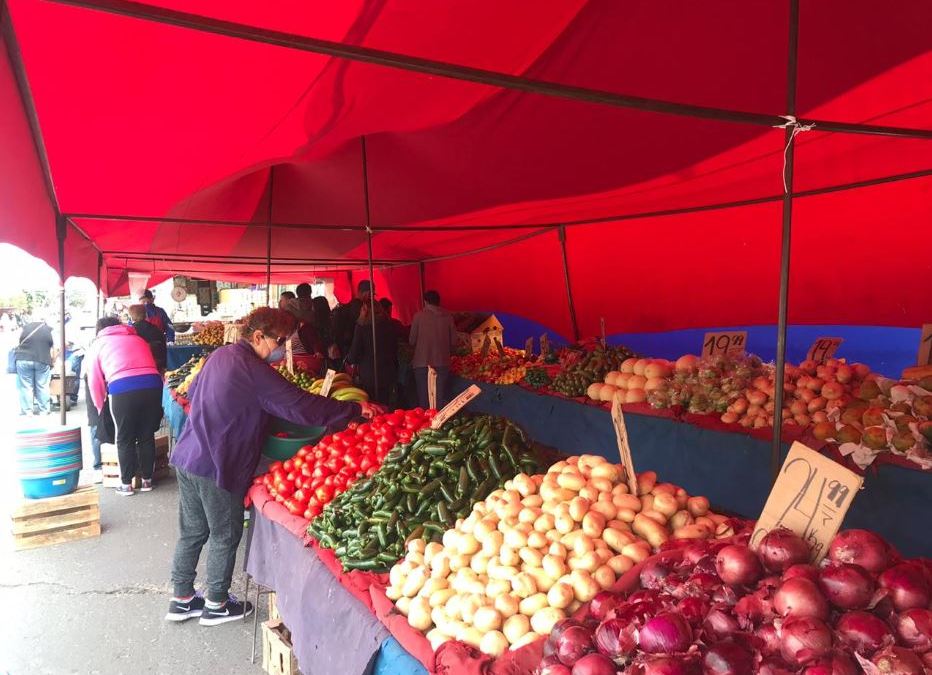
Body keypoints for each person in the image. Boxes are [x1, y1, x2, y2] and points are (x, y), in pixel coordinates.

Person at [165, 308, 382, 626]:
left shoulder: (221, 355)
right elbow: (300, 405)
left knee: (192, 532)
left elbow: (196, 393)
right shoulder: (251, 368)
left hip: (189, 455)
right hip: (216, 462)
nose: (282, 348)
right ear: (258, 337)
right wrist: (353, 409)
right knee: (225, 534)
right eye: (280, 341)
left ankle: (181, 598)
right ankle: (216, 603)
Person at [86, 317, 164, 496]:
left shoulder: (98, 344)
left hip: (122, 387)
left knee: (124, 436)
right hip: (152, 384)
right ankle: (147, 481)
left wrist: (100, 406)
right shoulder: (138, 339)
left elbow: (94, 380)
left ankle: (126, 484)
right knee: (146, 434)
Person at [84, 316, 121, 483]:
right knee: (99, 424)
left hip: (104, 385)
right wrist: (100, 401)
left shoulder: (97, 344)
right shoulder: (103, 344)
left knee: (97, 424)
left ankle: (102, 466)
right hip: (100, 384)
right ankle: (101, 466)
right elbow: (93, 376)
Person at [409, 290, 457, 409]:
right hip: (442, 362)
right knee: (438, 398)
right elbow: (454, 342)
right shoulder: (448, 317)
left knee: (424, 398)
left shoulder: (418, 316)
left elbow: (412, 340)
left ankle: (426, 419)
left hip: (422, 363)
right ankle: (439, 418)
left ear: (425, 301)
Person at [347, 300, 398, 405]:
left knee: (372, 406)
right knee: (385, 404)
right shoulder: (390, 326)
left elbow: (353, 355)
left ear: (365, 311)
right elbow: (394, 349)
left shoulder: (362, 328)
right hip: (388, 373)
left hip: (369, 375)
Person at [14, 314, 55, 416]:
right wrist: (53, 361)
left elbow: (15, 343)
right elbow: (55, 348)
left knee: (26, 386)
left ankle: (27, 411)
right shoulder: (49, 330)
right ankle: (44, 410)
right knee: (42, 385)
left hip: (23, 359)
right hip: (42, 359)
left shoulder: (24, 328)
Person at [332, 280, 372, 357]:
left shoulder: (351, 305)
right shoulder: (359, 307)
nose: (372, 297)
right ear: (367, 293)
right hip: (352, 346)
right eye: (372, 294)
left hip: (346, 344)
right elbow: (363, 325)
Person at [128, 304, 168, 373]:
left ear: (132, 317)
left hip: (139, 366)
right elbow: (163, 347)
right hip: (158, 364)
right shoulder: (155, 328)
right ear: (145, 314)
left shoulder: (130, 331)